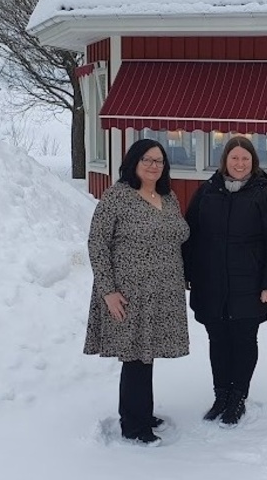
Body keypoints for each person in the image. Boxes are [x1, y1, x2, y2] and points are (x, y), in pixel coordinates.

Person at [84, 139, 190, 446]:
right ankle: (133, 423)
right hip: (129, 293)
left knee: (147, 354)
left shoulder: (168, 198)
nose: (154, 165)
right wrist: (108, 291)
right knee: (135, 357)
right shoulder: (117, 196)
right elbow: (97, 244)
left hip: (163, 292)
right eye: (148, 159)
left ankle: (142, 410)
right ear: (134, 162)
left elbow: (178, 237)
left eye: (159, 161)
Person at [183, 135, 267, 426]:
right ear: (224, 161)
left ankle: (237, 397)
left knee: (243, 340)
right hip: (211, 284)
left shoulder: (265, 196)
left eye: (245, 158)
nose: (239, 163)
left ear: (253, 162)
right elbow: (190, 236)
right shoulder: (206, 193)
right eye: (234, 158)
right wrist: (188, 273)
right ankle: (221, 395)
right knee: (217, 340)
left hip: (250, 286)